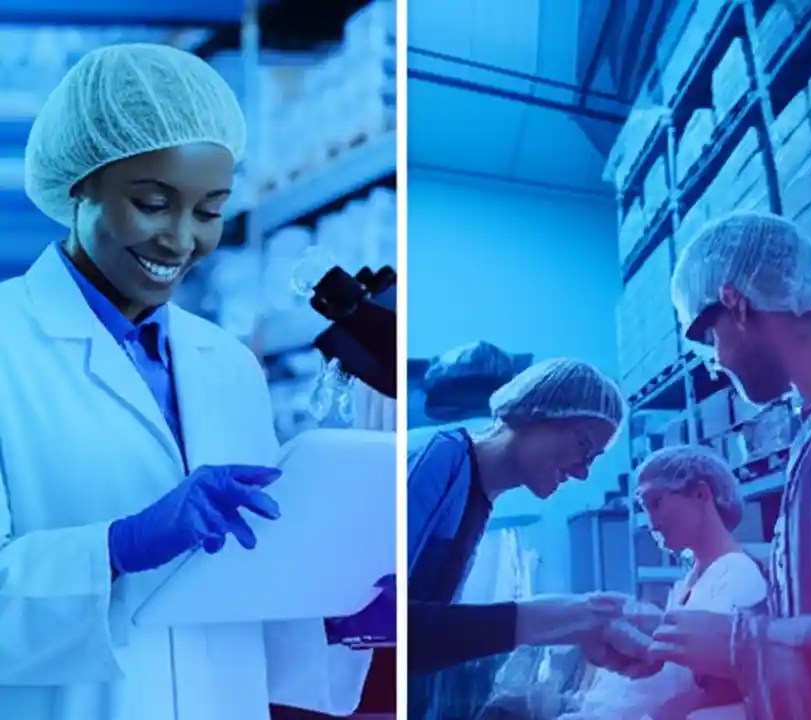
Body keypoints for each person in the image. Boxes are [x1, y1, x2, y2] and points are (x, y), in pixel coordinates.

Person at [0, 44, 382, 720]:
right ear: (79, 186)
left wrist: (341, 605)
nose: (181, 240)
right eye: (152, 202)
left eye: (210, 211)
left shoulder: (227, 363)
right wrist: (121, 545)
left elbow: (256, 607)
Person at [640, 211, 811, 718]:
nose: (716, 362)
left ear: (735, 305)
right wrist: (686, 641)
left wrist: (743, 644)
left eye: (710, 338)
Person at [405, 358, 636, 717]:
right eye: (583, 445)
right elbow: (394, 624)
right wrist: (572, 616)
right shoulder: (443, 457)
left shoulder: (477, 495)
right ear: (536, 411)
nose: (582, 472)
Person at [567, 445, 768, 720]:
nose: (650, 522)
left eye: (657, 502)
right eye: (643, 507)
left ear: (701, 494)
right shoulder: (694, 577)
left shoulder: (737, 574)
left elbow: (722, 686)